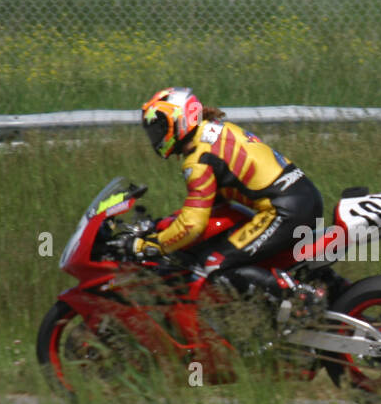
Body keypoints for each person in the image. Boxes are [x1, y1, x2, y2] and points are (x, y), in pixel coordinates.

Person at [127, 86, 325, 304]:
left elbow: (192, 226)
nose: (156, 136)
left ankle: (299, 301)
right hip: (304, 196)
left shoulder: (199, 160)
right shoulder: (217, 129)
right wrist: (163, 225)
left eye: (160, 127)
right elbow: (212, 208)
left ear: (179, 120)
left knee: (215, 263)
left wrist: (152, 245)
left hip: (283, 211)